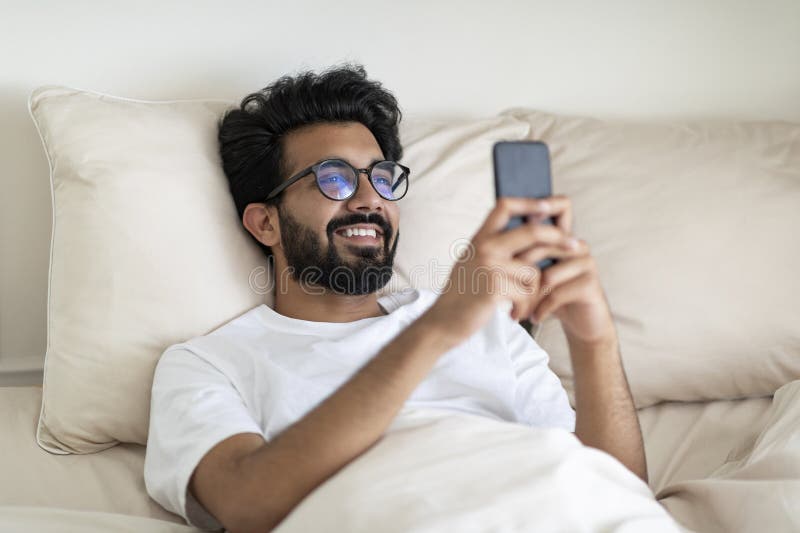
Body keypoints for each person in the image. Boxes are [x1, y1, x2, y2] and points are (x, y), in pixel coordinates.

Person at [144, 64, 647, 533]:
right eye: (334, 178)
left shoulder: (486, 324)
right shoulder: (208, 364)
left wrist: (593, 338)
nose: (370, 200)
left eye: (381, 177)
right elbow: (244, 504)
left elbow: (618, 493)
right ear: (265, 221)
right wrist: (440, 328)